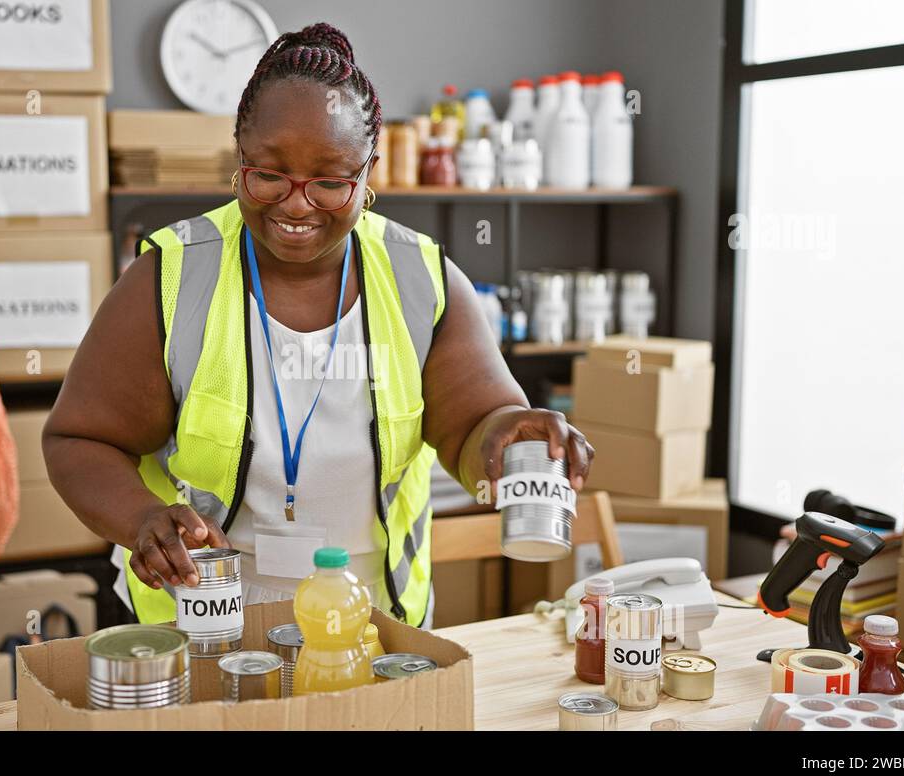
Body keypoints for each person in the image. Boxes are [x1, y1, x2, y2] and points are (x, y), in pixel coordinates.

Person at [43, 22, 594, 628]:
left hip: (372, 630)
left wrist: (505, 434)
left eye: (331, 182)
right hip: (199, 629)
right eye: (270, 174)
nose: (297, 204)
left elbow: (472, 427)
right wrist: (139, 517)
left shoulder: (421, 279)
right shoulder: (170, 278)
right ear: (239, 156)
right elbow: (79, 440)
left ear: (368, 173)